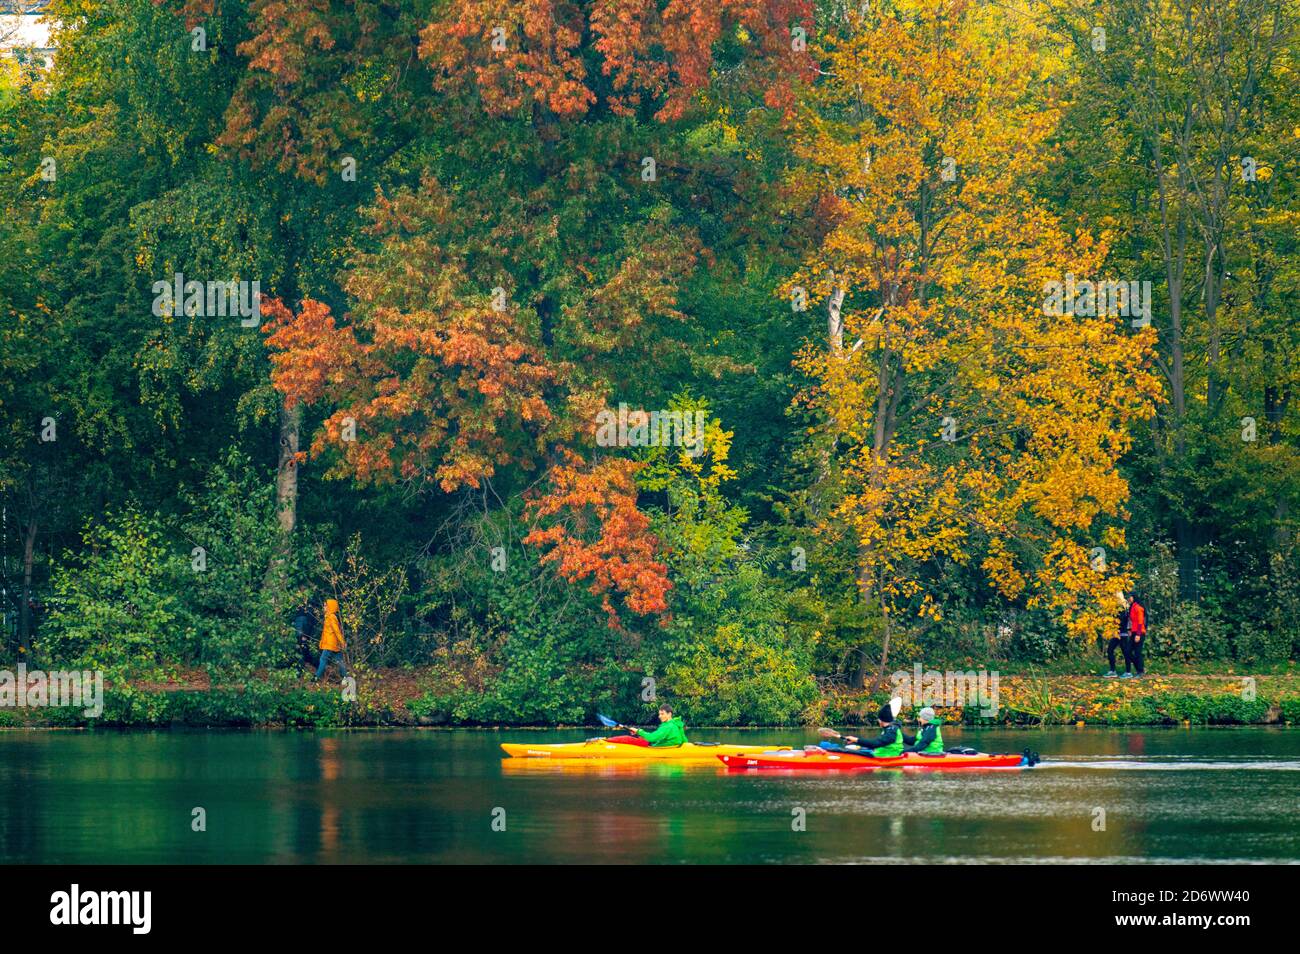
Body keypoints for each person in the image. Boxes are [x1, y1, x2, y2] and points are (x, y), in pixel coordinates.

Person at [822, 698, 907, 758]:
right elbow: (876, 744)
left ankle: (828, 752)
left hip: (886, 756)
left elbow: (875, 743)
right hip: (884, 753)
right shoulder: (891, 728)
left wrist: (856, 740)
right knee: (857, 748)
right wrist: (856, 741)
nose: (877, 720)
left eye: (879, 719)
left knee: (847, 751)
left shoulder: (891, 732)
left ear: (881, 720)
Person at [608, 703, 687, 747]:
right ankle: (607, 740)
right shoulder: (676, 723)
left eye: (662, 714)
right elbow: (684, 740)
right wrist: (639, 733)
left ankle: (606, 741)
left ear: (669, 714)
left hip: (658, 746)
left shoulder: (668, 726)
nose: (660, 716)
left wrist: (638, 731)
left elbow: (651, 738)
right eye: (659, 714)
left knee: (627, 738)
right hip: (660, 744)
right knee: (637, 738)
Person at [315, 598, 348, 681]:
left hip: (330, 644)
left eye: (326, 605)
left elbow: (336, 631)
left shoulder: (331, 617)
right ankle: (345, 678)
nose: (324, 607)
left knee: (323, 659)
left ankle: (316, 677)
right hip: (333, 643)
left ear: (331, 607)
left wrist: (342, 642)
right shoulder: (329, 616)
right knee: (339, 660)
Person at [1106, 592, 1132, 677]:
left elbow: (1123, 620)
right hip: (1117, 633)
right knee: (1110, 650)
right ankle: (1112, 670)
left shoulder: (1123, 608)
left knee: (1125, 652)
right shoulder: (1116, 607)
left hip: (1122, 633)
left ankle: (1128, 672)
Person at [1126, 593, 1147, 677]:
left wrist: (1138, 634)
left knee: (1137, 652)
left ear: (1134, 597)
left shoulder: (1138, 607)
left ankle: (1140, 671)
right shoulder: (1132, 607)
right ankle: (1139, 668)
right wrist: (1130, 630)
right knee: (1128, 651)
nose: (1129, 599)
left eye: (1130, 597)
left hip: (1139, 632)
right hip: (1134, 632)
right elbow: (1131, 621)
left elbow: (1140, 622)